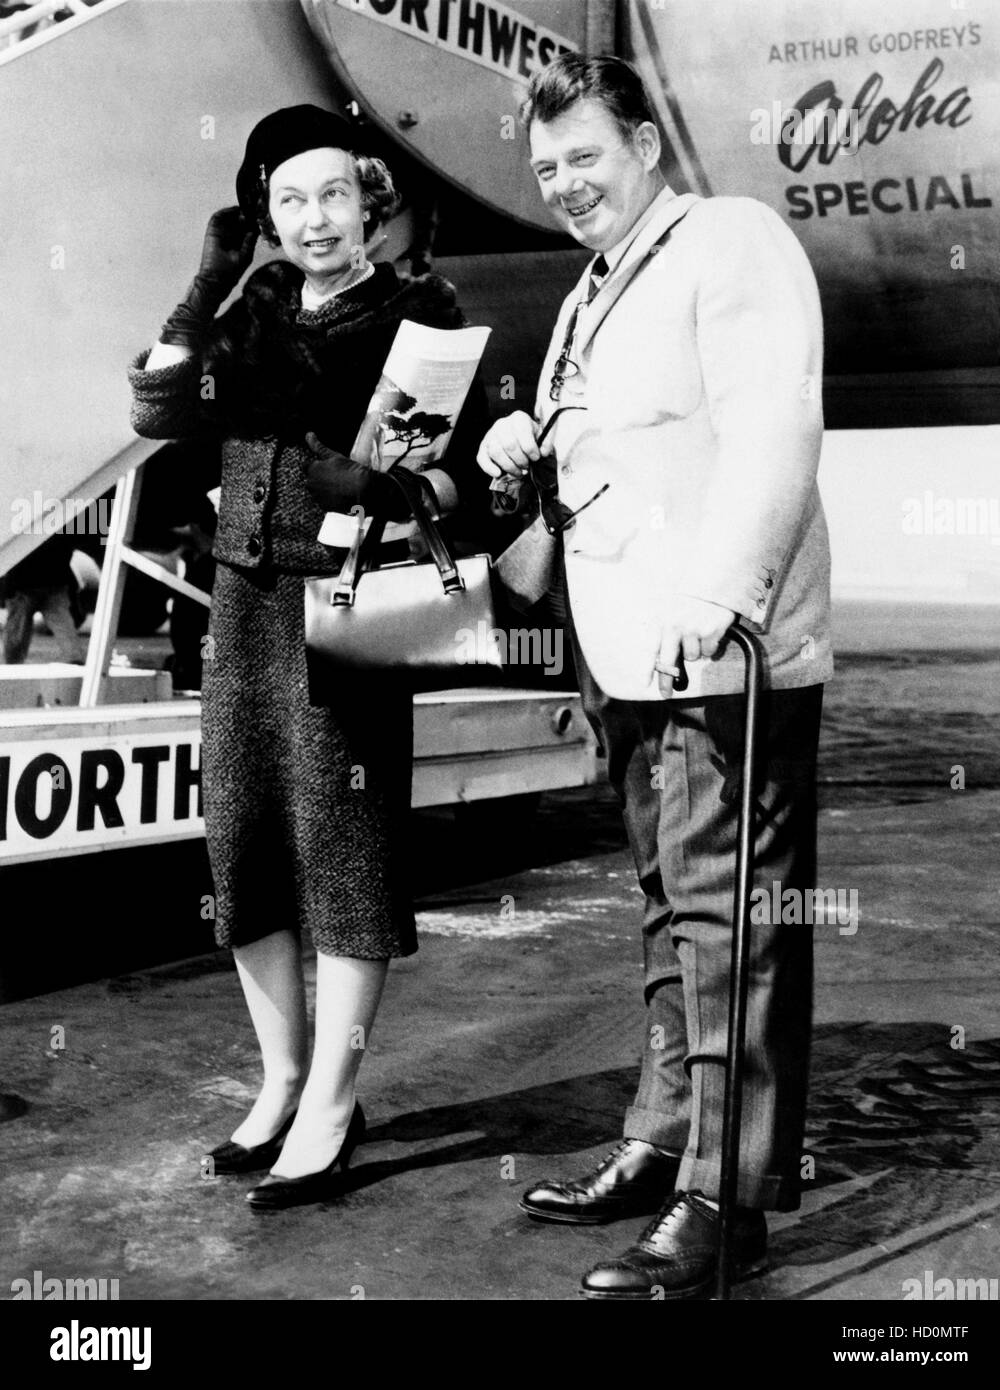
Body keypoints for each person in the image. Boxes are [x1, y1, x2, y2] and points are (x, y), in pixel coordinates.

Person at [477, 55, 831, 1299]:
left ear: (641, 144)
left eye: (584, 156)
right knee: (666, 909)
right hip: (629, 657)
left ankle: (724, 1203)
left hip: (717, 655)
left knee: (733, 925)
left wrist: (717, 600)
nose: (567, 184)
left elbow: (773, 424)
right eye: (547, 170)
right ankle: (660, 1135)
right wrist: (528, 439)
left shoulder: (726, 241)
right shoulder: (589, 290)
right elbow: (618, 446)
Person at [128, 104, 489, 1211]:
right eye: (289, 198)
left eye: (334, 193)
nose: (315, 216)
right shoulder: (254, 315)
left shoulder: (417, 316)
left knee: (342, 856)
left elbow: (457, 483)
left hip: (340, 607)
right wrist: (208, 283)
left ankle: (333, 1101)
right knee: (245, 848)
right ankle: (282, 1080)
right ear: (264, 215)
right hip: (240, 606)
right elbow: (152, 405)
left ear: (370, 204)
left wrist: (376, 485)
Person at [1, 534, 84, 664]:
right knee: (63, 625)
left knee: (17, 630)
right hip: (55, 579)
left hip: (22, 583)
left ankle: (13, 665)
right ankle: (75, 659)